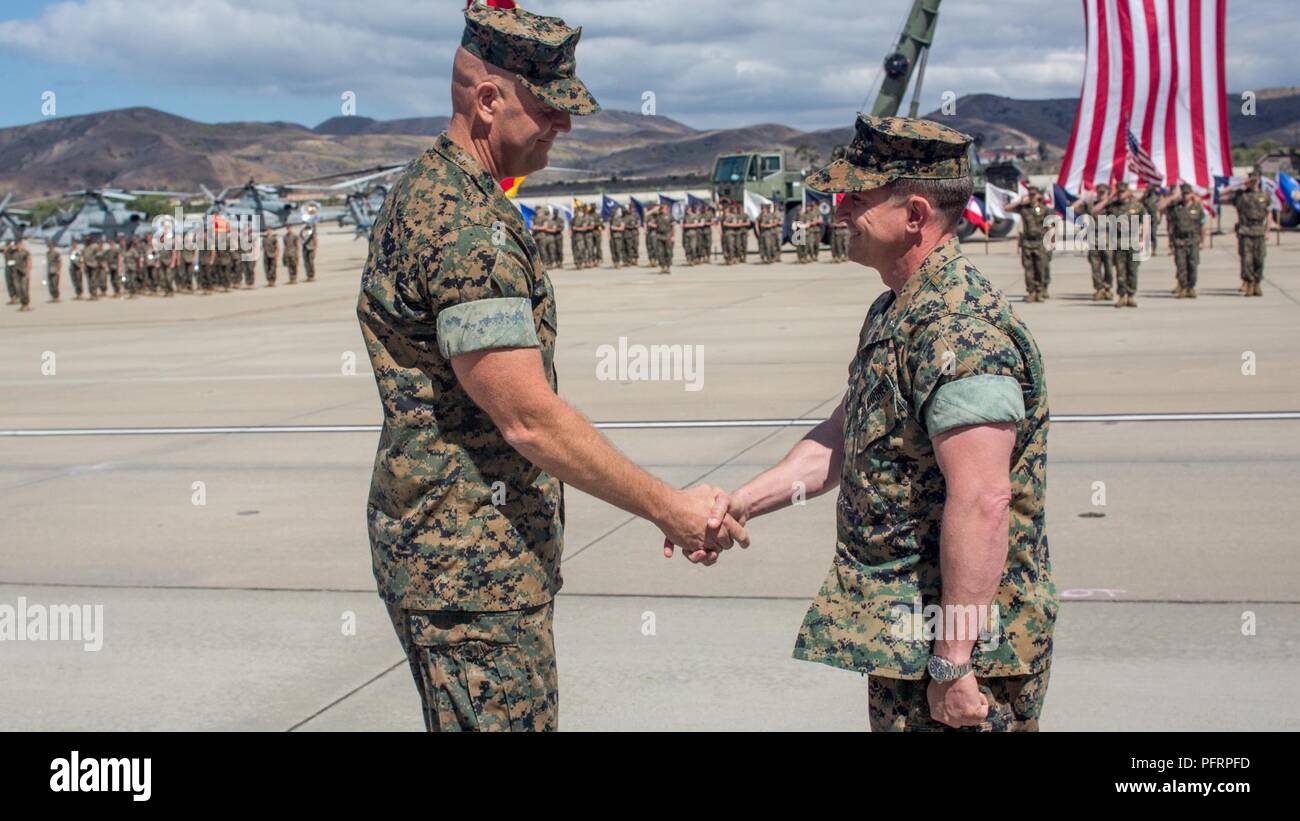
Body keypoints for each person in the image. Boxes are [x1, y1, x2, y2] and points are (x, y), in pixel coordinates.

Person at [355, 3, 745, 733]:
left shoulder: (436, 193)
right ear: (487, 100)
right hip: (469, 571)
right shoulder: (467, 226)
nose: (563, 127)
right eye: (547, 109)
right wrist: (669, 506)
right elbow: (529, 418)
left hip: (462, 558)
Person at [725, 114, 1056, 732]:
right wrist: (737, 504)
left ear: (915, 215)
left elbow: (984, 498)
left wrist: (954, 664)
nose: (840, 208)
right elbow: (839, 439)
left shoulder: (961, 330)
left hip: (965, 651)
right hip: (906, 638)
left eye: (858, 197)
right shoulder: (897, 312)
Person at [1159, 183, 1206, 298]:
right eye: (1183, 194)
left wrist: (1202, 241)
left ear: (1191, 194)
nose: (1185, 196)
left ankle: (1191, 287)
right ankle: (1183, 287)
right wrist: (1173, 197)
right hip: (1179, 240)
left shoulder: (1197, 207)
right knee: (1181, 266)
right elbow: (1160, 207)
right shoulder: (1176, 207)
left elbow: (1202, 225)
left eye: (1187, 193)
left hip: (1193, 240)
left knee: (1193, 265)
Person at [1234, 170, 1276, 298]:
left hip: (1259, 230)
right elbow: (1222, 194)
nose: (1253, 182)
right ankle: (1250, 283)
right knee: (1247, 260)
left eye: (1255, 180)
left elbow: (1268, 214)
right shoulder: (1242, 196)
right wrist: (1242, 184)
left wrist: (1268, 231)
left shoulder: (1265, 195)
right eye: (1251, 180)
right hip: (1246, 230)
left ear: (1258, 181)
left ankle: (1257, 283)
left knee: (1259, 259)